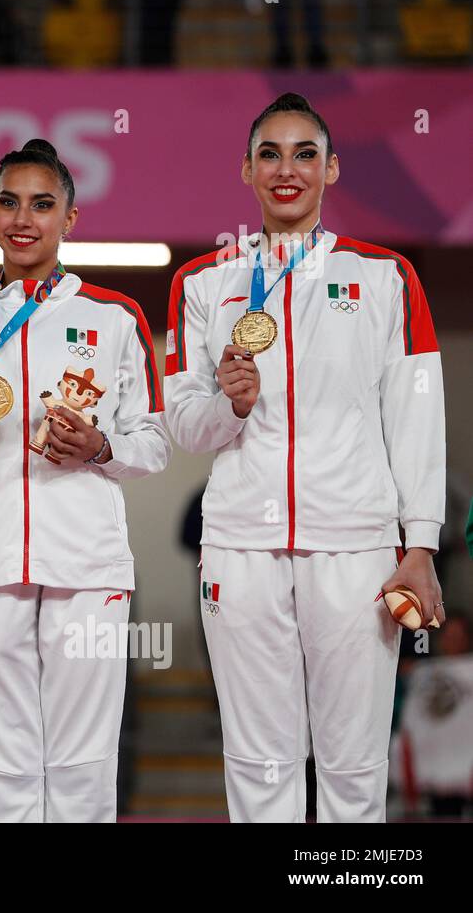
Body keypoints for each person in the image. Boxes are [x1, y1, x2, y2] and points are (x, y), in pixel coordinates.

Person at [164, 92, 445, 822]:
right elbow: (186, 428)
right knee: (259, 762)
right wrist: (231, 403)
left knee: (354, 762)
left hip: (354, 544)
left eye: (305, 154)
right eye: (270, 154)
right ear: (247, 172)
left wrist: (420, 543)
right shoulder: (202, 283)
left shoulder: (386, 275)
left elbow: (416, 416)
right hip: (241, 545)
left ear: (331, 169)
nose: (287, 169)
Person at [0, 138, 169, 822]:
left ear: (71, 217)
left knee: (83, 761)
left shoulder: (115, 319)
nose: (22, 219)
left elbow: (152, 444)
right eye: (8, 202)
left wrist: (98, 446)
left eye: (41, 204)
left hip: (85, 563)